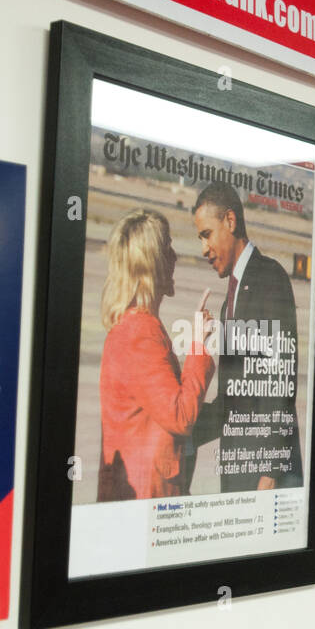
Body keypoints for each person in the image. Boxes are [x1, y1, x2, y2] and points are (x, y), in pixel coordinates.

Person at [191, 182, 303, 492]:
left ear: (230, 221)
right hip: (240, 470)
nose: (203, 249)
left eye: (206, 234)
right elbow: (233, 400)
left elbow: (281, 378)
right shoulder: (232, 297)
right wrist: (183, 433)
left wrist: (270, 470)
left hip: (264, 477)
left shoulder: (270, 277)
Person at [97, 209, 214, 501]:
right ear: (151, 264)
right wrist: (198, 346)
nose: (174, 258)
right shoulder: (139, 334)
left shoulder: (137, 326)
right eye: (167, 249)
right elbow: (180, 416)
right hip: (146, 501)